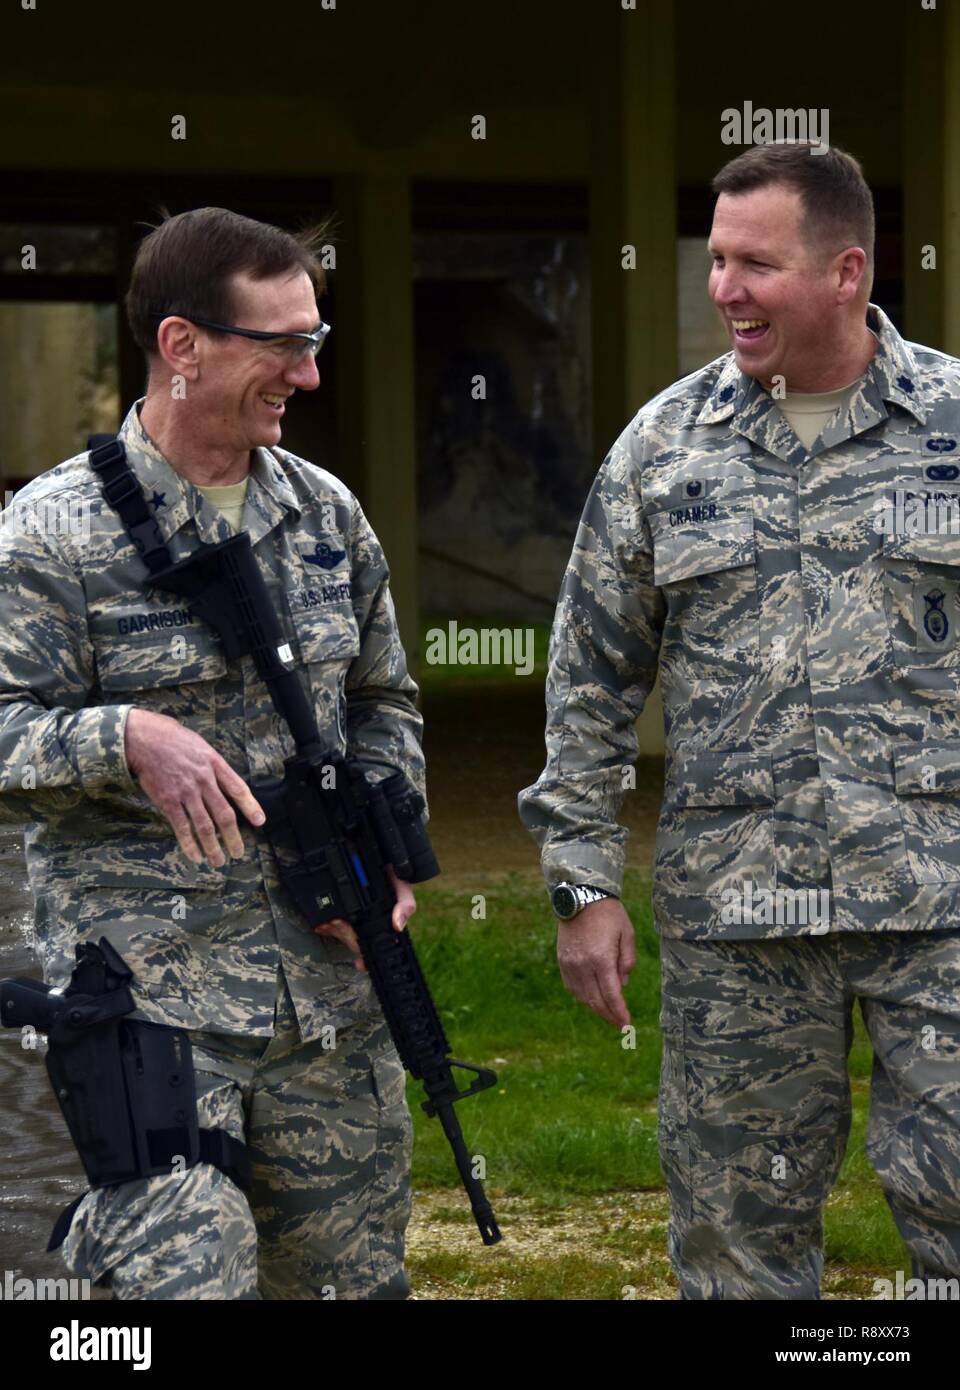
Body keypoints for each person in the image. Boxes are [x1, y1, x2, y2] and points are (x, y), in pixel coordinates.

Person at [519, 142, 960, 1299]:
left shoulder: (954, 426)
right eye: (716, 260)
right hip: (742, 920)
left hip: (942, 907)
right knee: (736, 1245)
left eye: (755, 264)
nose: (723, 289)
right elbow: (588, 679)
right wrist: (583, 884)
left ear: (847, 271)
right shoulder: (664, 449)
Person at [0, 206, 425, 1300]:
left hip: (329, 997)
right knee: (187, 1279)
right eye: (281, 344)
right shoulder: (52, 532)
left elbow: (382, 700)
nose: (309, 374)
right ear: (181, 345)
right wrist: (123, 737)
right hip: (152, 1007)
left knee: (348, 1286)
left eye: (314, 340)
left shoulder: (327, 515)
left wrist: (386, 843)